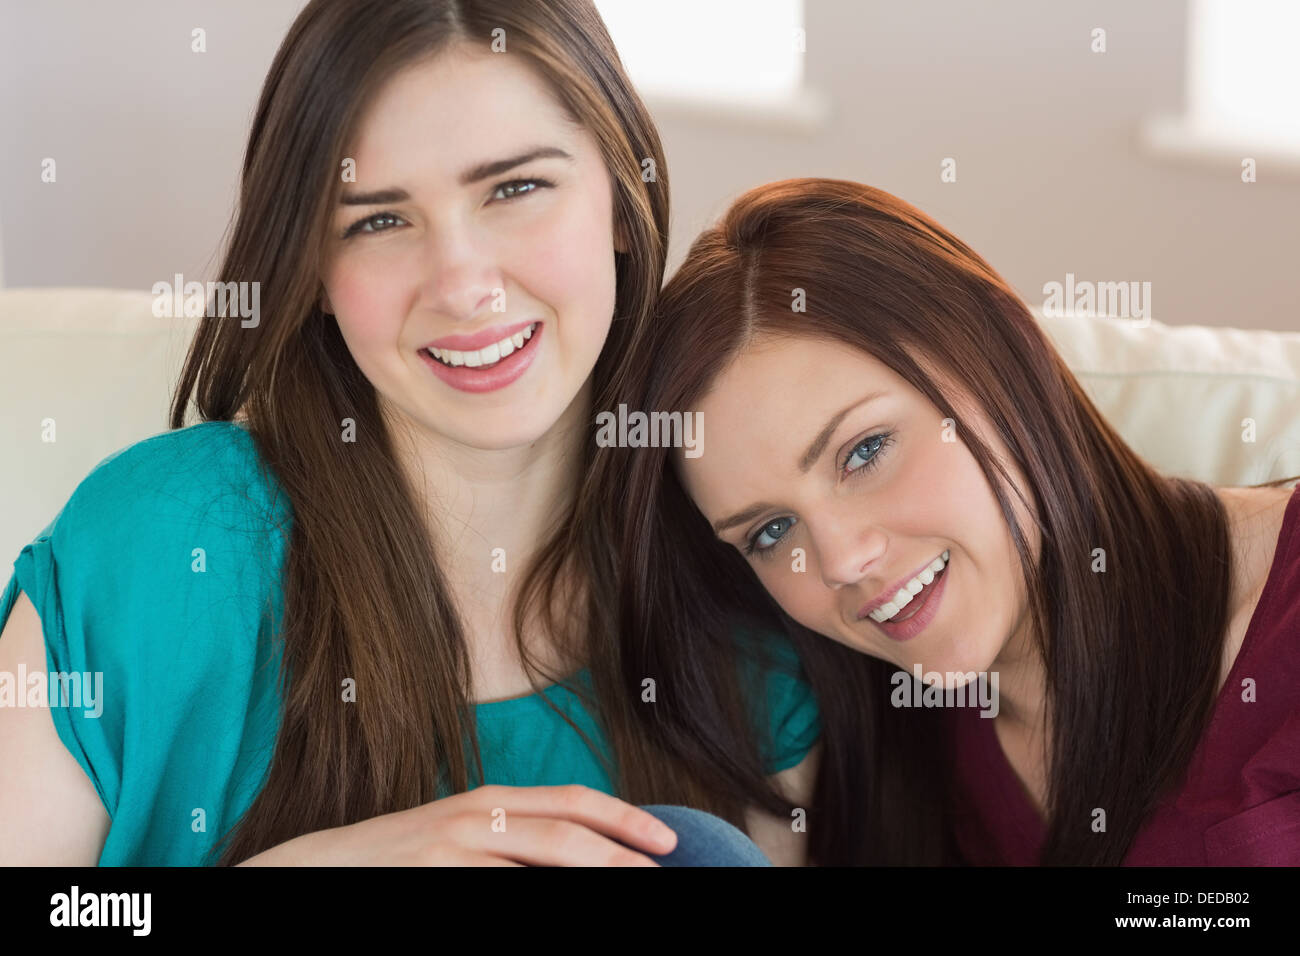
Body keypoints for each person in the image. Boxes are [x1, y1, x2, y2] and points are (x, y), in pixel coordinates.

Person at [0, 0, 819, 867]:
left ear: (623, 201)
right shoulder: (152, 549)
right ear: (313, 272)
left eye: (515, 188)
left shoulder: (739, 609)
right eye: (379, 220)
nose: (463, 285)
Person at [608, 176, 1300, 865]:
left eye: (865, 451)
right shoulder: (898, 736)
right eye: (769, 532)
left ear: (1003, 357)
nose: (841, 560)